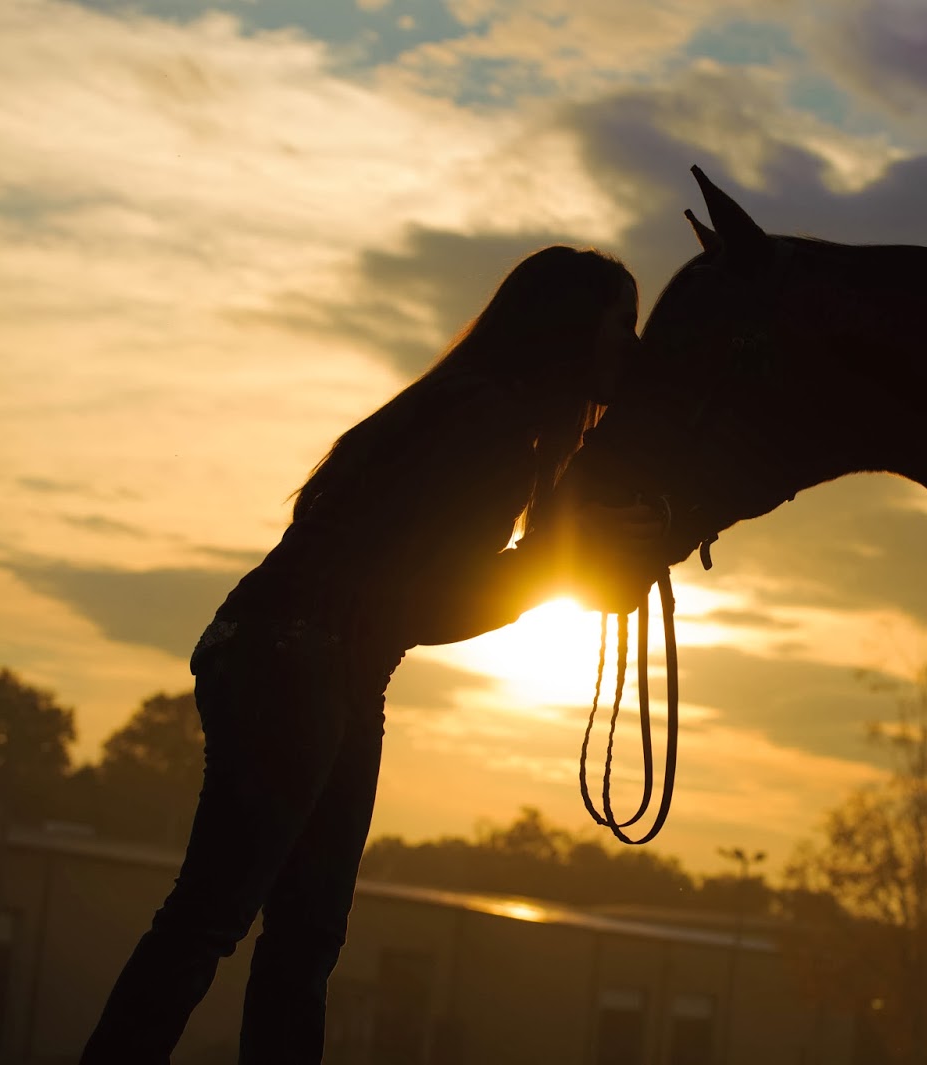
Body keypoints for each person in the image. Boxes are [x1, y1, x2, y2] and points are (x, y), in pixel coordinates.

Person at [81, 245, 662, 1064]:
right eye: (621, 327)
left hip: (311, 658)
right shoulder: (491, 428)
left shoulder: (476, 417)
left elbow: (417, 597)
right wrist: (567, 563)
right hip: (303, 657)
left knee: (286, 932)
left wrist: (566, 557)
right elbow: (427, 604)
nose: (631, 349)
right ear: (572, 333)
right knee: (233, 922)